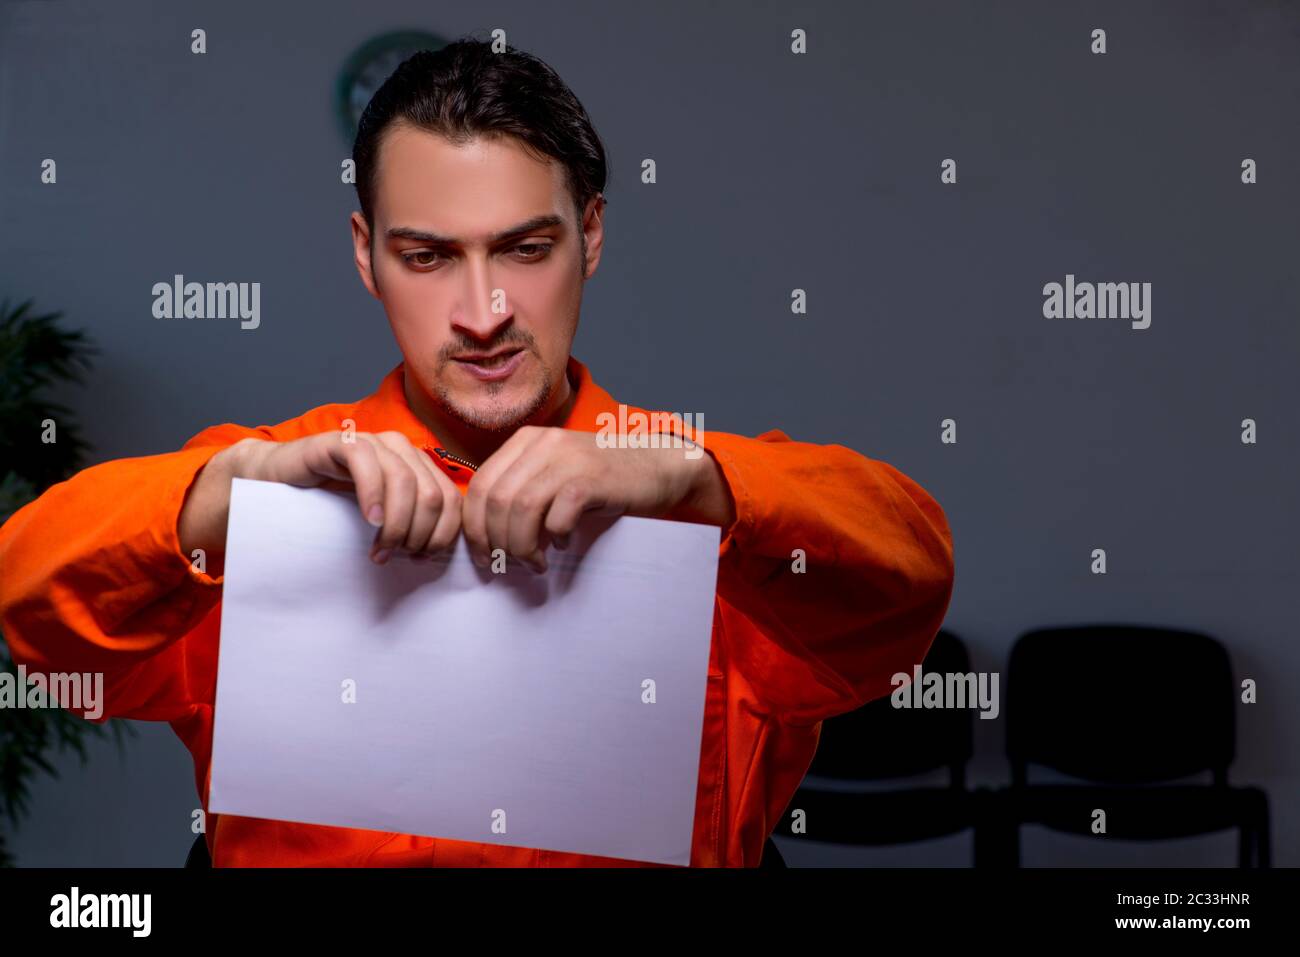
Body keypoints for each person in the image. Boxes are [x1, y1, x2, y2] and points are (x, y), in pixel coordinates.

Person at [0, 38, 955, 867]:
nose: (483, 313)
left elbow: (909, 581)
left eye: (525, 249)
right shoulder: (262, 487)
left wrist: (687, 472)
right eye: (428, 256)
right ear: (366, 256)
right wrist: (236, 489)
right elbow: (32, 613)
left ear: (590, 234)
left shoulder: (697, 500)